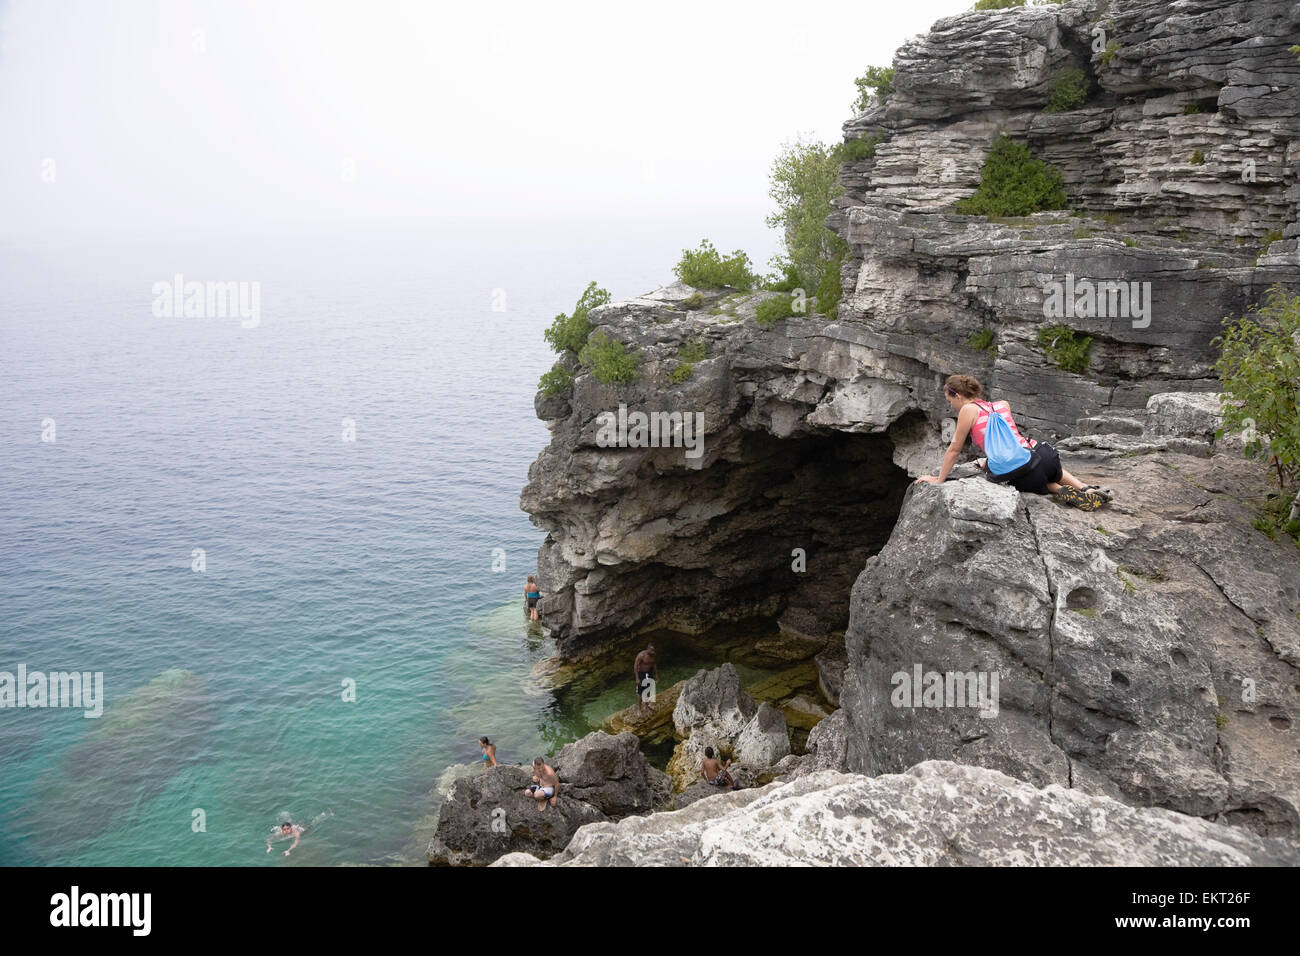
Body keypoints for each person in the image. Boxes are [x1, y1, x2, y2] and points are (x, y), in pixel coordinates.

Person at [914, 374, 1111, 510]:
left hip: (1025, 471)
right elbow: (1009, 442)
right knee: (1048, 468)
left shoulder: (968, 410)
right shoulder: (1002, 405)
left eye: (950, 401)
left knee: (1027, 476)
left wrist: (939, 479)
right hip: (1045, 455)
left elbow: (954, 449)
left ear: (957, 396)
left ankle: (1060, 491)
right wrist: (986, 461)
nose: (952, 406)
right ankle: (1086, 488)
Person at [633, 644, 658, 714]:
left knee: (648, 690)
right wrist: (637, 678)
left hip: (649, 673)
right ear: (647, 649)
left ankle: (647, 707)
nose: (652, 652)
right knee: (640, 692)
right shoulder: (641, 655)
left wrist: (656, 675)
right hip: (641, 673)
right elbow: (635, 666)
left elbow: (654, 665)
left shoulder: (654, 655)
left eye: (653, 651)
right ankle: (639, 708)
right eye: (650, 651)